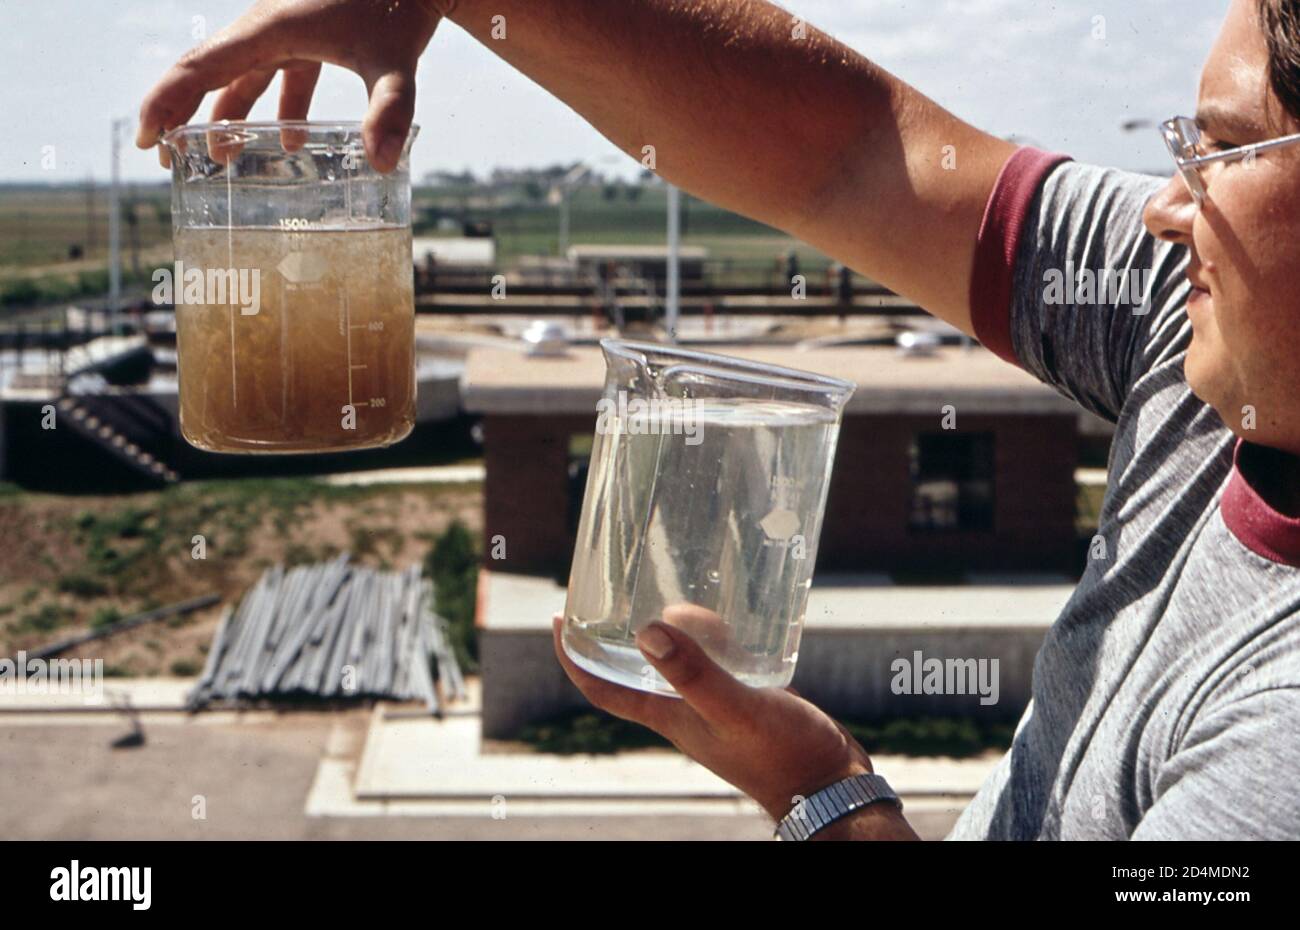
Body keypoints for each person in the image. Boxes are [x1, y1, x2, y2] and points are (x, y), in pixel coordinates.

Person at [138, 0, 1300, 840]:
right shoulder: (1189, 322)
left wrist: (821, 790)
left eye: (1227, 147)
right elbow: (848, 151)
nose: (1162, 205)